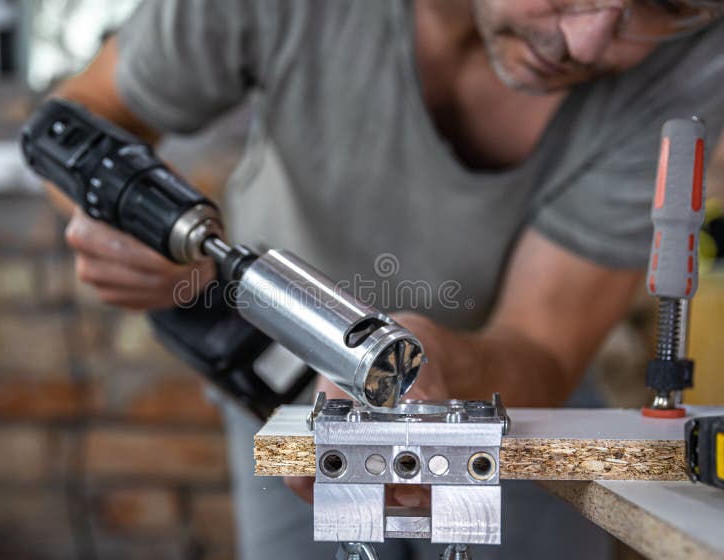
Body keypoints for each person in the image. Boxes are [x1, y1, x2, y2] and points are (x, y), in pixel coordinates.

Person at [46, 1, 724, 558]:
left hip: (508, 405)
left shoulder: (695, 55)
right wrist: (119, 214)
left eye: (662, 6)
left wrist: (443, 366)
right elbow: (80, 117)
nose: (587, 39)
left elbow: (541, 349)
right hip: (282, 394)